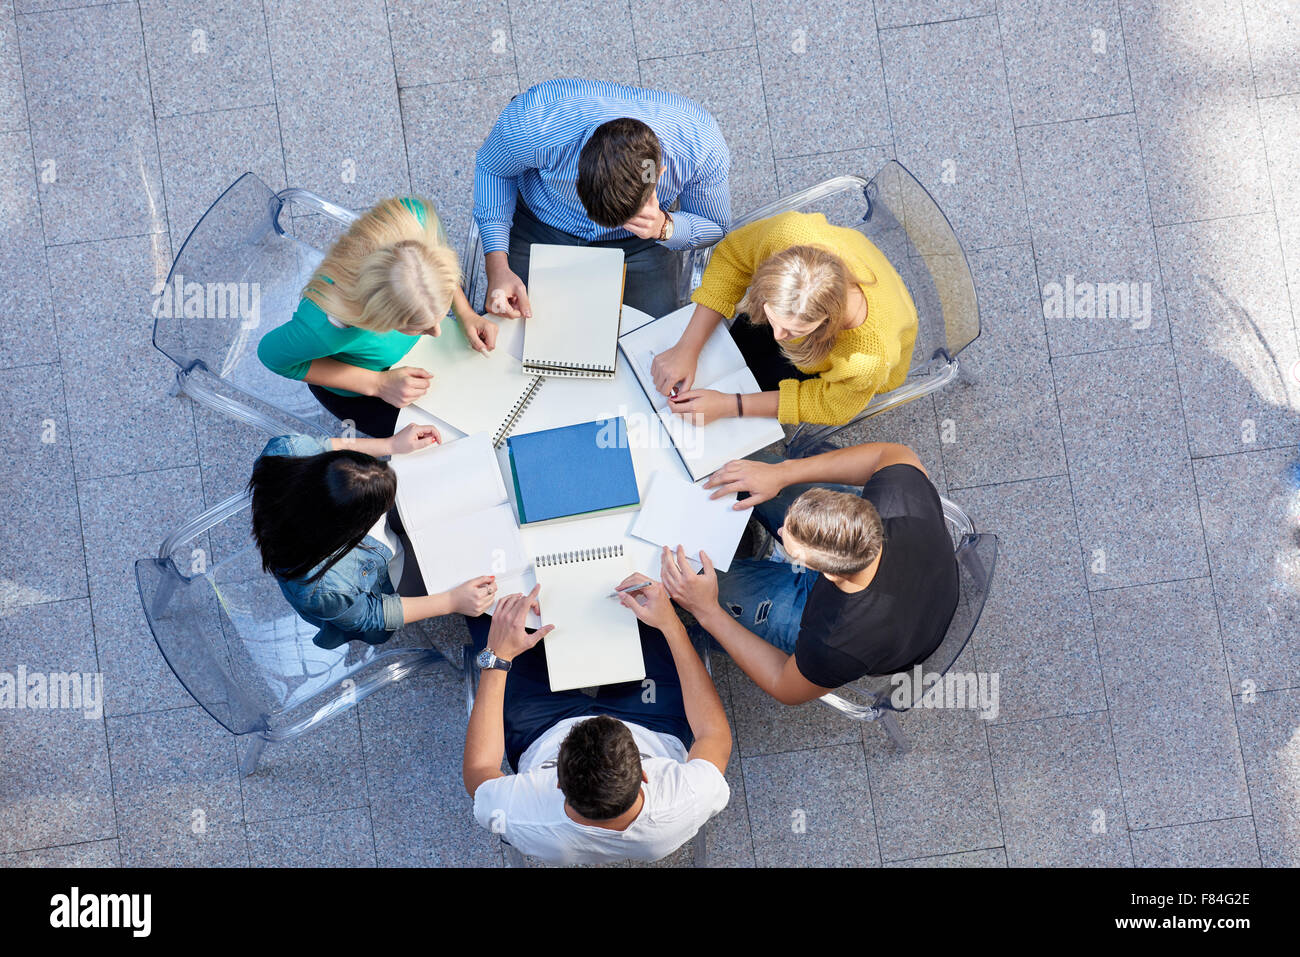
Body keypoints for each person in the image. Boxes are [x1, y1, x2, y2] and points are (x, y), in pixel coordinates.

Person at [658, 441, 958, 705]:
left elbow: (784, 685)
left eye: (792, 546)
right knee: (748, 469)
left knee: (687, 581)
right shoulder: (900, 495)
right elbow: (890, 453)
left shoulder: (835, 642)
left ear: (815, 569)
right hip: (924, 578)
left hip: (878, 629)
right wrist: (784, 473)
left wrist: (707, 611)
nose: (779, 530)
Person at [463, 580, 732, 865]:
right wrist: (672, 626)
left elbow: (479, 771)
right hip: (651, 721)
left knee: (492, 610)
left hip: (540, 729)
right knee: (646, 602)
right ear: (644, 774)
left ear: (556, 784)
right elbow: (713, 734)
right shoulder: (688, 796)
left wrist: (499, 658)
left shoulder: (518, 813)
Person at [473, 77, 731, 321]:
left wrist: (664, 226)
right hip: (542, 224)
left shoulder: (700, 146)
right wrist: (496, 267)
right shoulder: (534, 121)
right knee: (509, 326)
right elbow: (493, 170)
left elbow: (715, 226)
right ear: (579, 166)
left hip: (641, 242)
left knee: (657, 338)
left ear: (658, 174)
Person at [257, 196, 496, 438]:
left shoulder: (417, 219)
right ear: (378, 320)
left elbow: (433, 267)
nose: (438, 332)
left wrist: (465, 313)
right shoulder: (324, 329)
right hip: (361, 390)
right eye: (420, 328)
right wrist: (378, 384)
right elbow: (271, 357)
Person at [650, 210, 919, 426]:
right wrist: (687, 348)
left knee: (754, 379)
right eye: (772, 319)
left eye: (792, 331)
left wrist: (731, 405)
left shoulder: (867, 359)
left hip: (842, 362)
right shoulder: (787, 234)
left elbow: (829, 405)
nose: (778, 337)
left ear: (828, 319)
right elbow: (733, 258)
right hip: (821, 305)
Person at [248, 426, 497, 649]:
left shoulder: (286, 451)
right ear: (351, 527)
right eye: (379, 509)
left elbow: (327, 446)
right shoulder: (323, 590)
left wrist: (389, 444)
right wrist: (451, 602)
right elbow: (371, 615)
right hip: (383, 580)